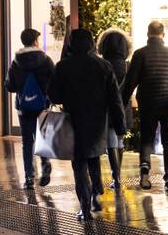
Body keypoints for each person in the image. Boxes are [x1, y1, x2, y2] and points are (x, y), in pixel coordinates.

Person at [47, 28, 125, 222]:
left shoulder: (63, 66)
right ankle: (97, 192)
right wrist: (120, 126)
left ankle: (85, 206)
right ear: (91, 43)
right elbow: (115, 99)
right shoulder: (104, 65)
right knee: (94, 156)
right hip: (98, 121)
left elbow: (53, 94)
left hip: (74, 120)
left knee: (79, 163)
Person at [123, 20, 168, 191]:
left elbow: (131, 82)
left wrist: (123, 100)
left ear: (148, 34)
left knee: (147, 137)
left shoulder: (140, 54)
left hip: (148, 102)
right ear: (163, 35)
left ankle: (145, 171)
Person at [6, 28, 54, 189]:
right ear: (35, 41)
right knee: (43, 137)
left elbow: (10, 86)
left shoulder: (16, 62)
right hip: (43, 106)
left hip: (24, 107)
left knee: (27, 142)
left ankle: (28, 178)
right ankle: (45, 164)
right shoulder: (46, 60)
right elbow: (54, 80)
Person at [97, 28, 132, 187]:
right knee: (119, 140)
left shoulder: (102, 65)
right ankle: (117, 175)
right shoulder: (127, 65)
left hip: (106, 107)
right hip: (123, 107)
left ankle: (115, 176)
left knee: (110, 140)